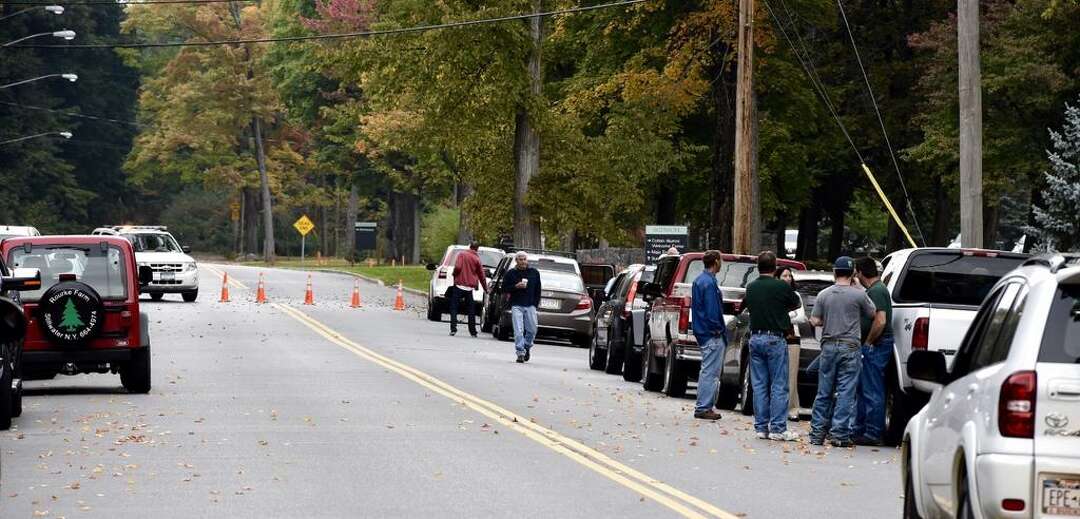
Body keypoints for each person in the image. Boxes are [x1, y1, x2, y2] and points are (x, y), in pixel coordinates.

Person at [808, 256, 877, 448]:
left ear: (834, 272)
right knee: (846, 391)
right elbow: (872, 312)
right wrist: (860, 288)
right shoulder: (858, 295)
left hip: (829, 345)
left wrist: (828, 319)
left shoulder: (824, 294)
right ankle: (839, 434)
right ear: (853, 273)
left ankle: (817, 434)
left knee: (824, 391)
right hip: (850, 346)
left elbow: (814, 320)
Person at [743, 252, 801, 440]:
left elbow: (744, 306)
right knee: (779, 384)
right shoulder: (781, 286)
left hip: (755, 337)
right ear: (774, 267)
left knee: (759, 384)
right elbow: (795, 303)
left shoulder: (751, 287)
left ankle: (761, 427)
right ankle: (777, 428)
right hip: (775, 337)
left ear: (758, 266)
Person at [850, 256, 891, 446]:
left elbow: (880, 320)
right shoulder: (875, 290)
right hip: (874, 344)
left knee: (872, 389)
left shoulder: (877, 291)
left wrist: (868, 342)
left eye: (855, 272)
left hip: (877, 345)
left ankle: (873, 432)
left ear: (860, 272)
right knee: (864, 388)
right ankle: (859, 429)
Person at [690, 250, 727, 420]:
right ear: (716, 262)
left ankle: (704, 405)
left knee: (707, 369)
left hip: (702, 332)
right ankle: (704, 406)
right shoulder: (710, 283)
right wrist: (717, 329)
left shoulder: (699, 280)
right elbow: (712, 310)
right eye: (721, 261)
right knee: (711, 372)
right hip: (711, 333)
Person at [502, 251, 541, 363]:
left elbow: (538, 289)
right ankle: (520, 352)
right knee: (518, 330)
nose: (523, 261)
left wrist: (535, 304)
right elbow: (504, 289)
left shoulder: (534, 272)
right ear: (516, 261)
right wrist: (516, 286)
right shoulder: (511, 273)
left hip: (530, 305)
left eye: (524, 259)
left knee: (532, 330)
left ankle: (526, 346)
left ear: (527, 260)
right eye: (520, 259)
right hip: (517, 305)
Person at [776, 265, 802, 421]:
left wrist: (784, 316)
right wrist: (789, 315)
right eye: (784, 276)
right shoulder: (774, 293)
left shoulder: (795, 295)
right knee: (777, 375)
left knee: (791, 375)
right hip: (776, 337)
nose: (787, 278)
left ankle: (792, 409)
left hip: (792, 338)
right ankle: (776, 407)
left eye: (789, 276)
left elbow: (801, 316)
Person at [448, 241, 489, 337]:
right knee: (471, 310)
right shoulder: (477, 259)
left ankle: (453, 329)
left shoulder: (462, 254)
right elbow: (481, 275)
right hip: (469, 288)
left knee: (454, 307)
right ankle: (473, 331)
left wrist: (454, 274)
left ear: (470, 246)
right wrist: (485, 288)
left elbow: (458, 267)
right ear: (477, 249)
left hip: (459, 285)